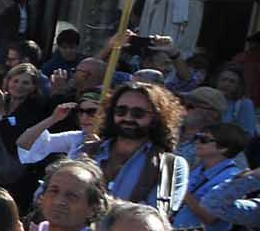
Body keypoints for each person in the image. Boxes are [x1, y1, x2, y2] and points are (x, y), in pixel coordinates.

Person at [20, 82, 188, 219]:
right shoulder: (86, 152)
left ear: (156, 117)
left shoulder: (170, 166)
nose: (128, 118)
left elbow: (155, 218)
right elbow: (43, 196)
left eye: (138, 113)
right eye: (121, 111)